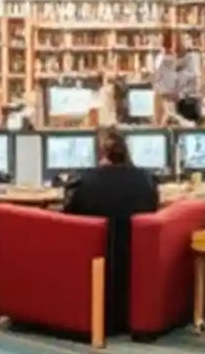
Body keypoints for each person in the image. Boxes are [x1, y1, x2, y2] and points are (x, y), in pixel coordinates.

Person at [65, 128, 159, 336]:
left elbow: (68, 220)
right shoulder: (147, 180)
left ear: (100, 154)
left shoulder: (82, 181)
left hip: (92, 264)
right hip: (136, 265)